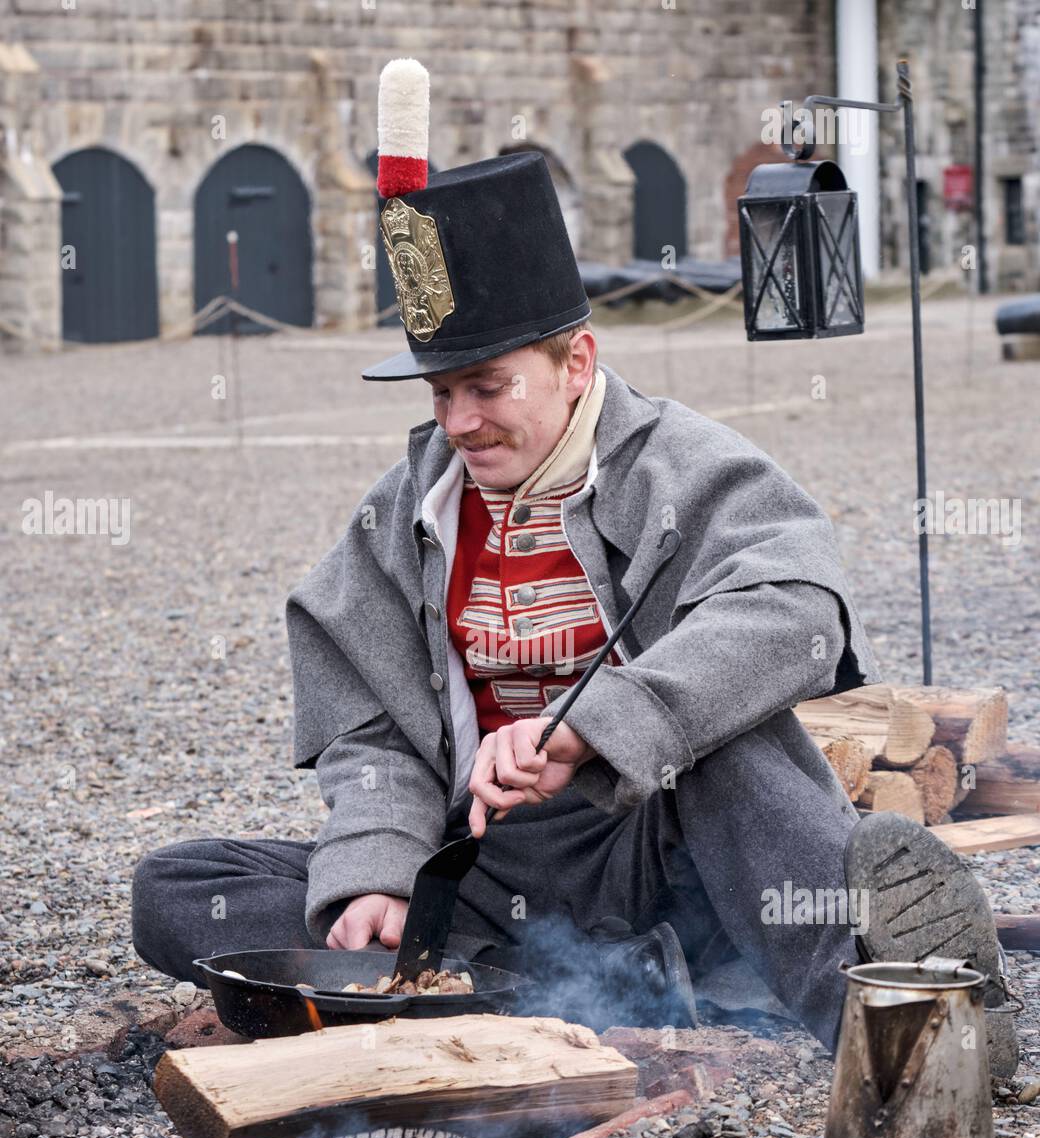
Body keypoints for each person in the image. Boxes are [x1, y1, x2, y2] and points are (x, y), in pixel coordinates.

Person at [131, 61, 1017, 1073]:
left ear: (576, 363)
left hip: (661, 847)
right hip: (476, 872)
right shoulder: (404, 508)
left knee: (740, 746)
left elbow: (794, 608)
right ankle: (560, 982)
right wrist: (372, 877)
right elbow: (369, 728)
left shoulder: (682, 464)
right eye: (437, 391)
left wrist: (603, 726)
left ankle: (889, 1029)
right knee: (177, 886)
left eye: (485, 385)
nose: (458, 421)